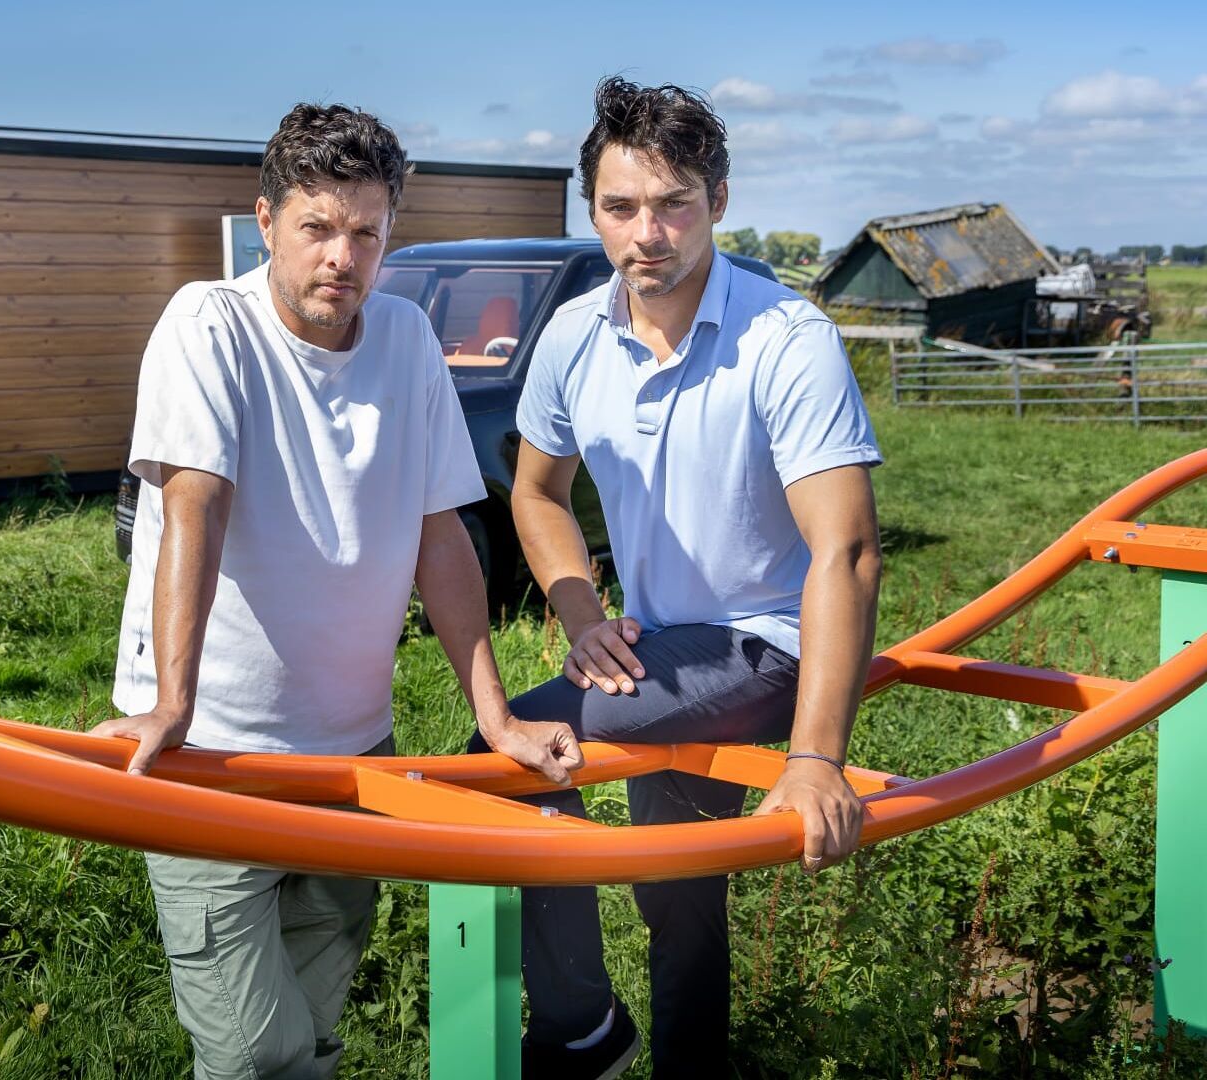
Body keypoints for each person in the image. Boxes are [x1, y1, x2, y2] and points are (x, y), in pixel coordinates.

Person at [90, 102, 581, 1079]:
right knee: (254, 1055)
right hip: (211, 759)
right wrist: (171, 707)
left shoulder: (404, 341)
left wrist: (495, 718)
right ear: (266, 221)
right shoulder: (207, 325)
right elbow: (197, 506)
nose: (341, 258)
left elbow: (443, 538)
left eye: (366, 232)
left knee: (311, 1042)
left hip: (354, 757)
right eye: (317, 227)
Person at [482, 77, 884, 1078]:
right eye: (621, 208)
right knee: (681, 892)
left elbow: (847, 550)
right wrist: (579, 608)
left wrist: (817, 757)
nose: (647, 233)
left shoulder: (785, 340)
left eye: (675, 205)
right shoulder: (575, 335)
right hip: (659, 650)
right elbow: (536, 491)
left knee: (506, 756)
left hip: (772, 646)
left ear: (720, 202)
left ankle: (577, 1029)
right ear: (593, 210)